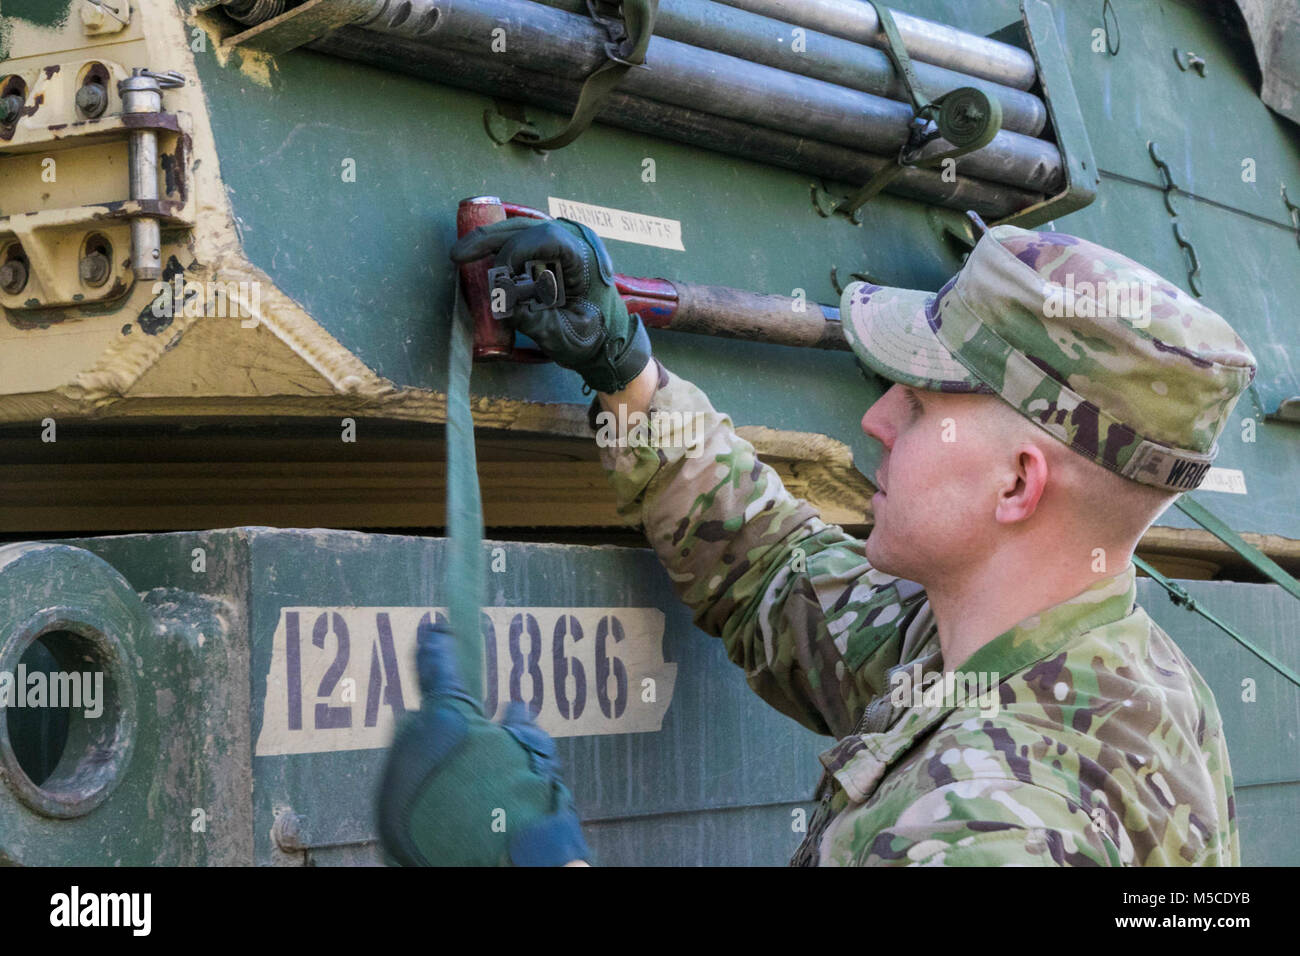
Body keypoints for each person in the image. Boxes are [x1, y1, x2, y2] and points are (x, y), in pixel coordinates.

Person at [378, 214, 1256, 866]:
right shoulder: (1097, 670)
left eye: (916, 406)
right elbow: (780, 582)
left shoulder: (987, 834)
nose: (875, 419)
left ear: (1018, 485)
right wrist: (624, 370)